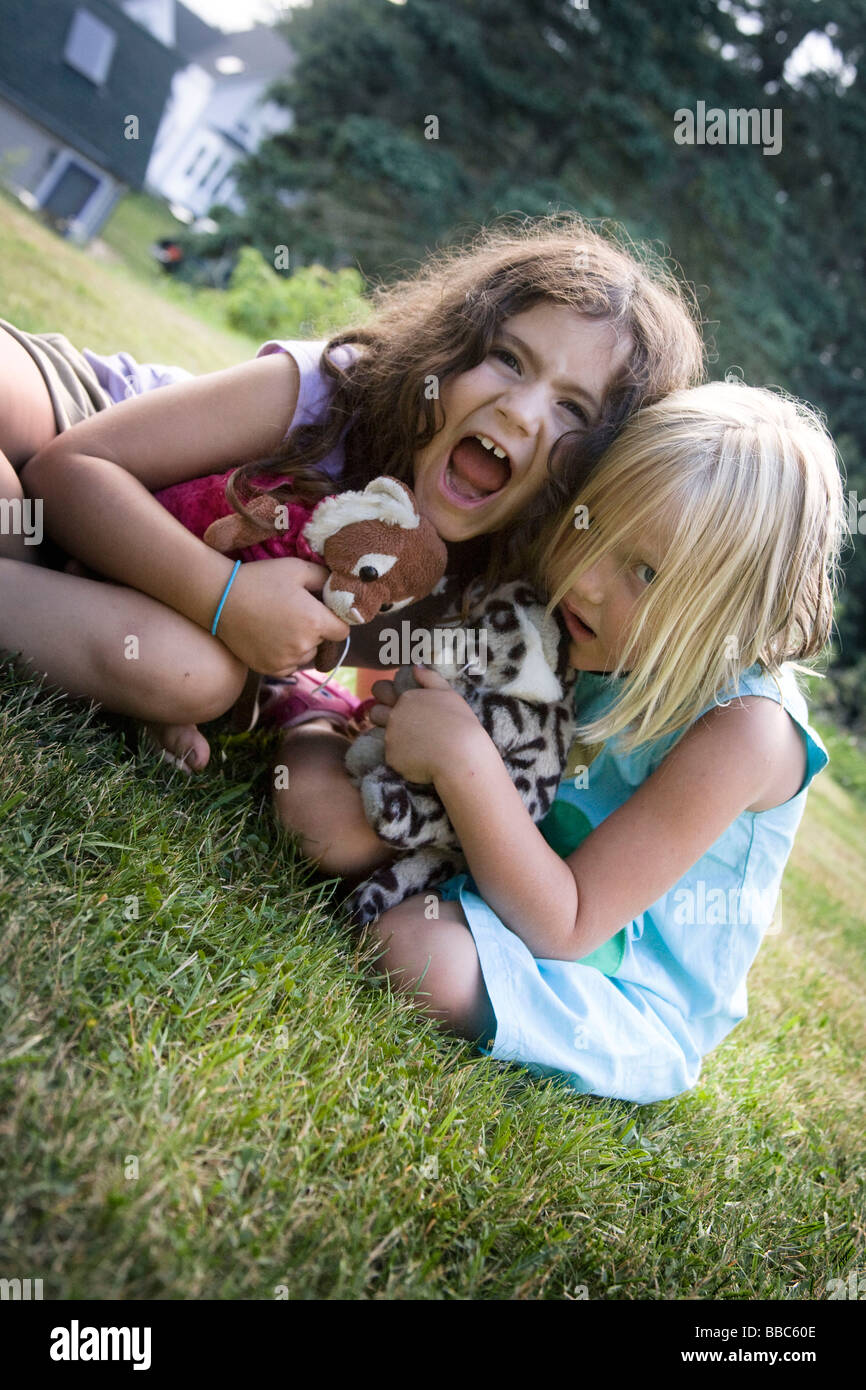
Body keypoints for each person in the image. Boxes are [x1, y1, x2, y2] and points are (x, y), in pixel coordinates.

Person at [2, 216, 703, 773]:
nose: (522, 411)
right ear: (449, 346)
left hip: (127, 589)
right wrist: (227, 598)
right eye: (508, 359)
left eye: (574, 411)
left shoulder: (490, 590)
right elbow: (65, 471)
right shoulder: (334, 393)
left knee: (189, 675)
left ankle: (55, 588)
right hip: (83, 424)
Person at [345, 380, 843, 1104]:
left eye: (643, 571)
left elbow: (570, 923)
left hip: (618, 988)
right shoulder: (594, 631)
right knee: (330, 819)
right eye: (590, 526)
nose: (586, 579)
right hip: (507, 882)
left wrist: (459, 756)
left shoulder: (745, 731)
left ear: (729, 613)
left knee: (416, 953)